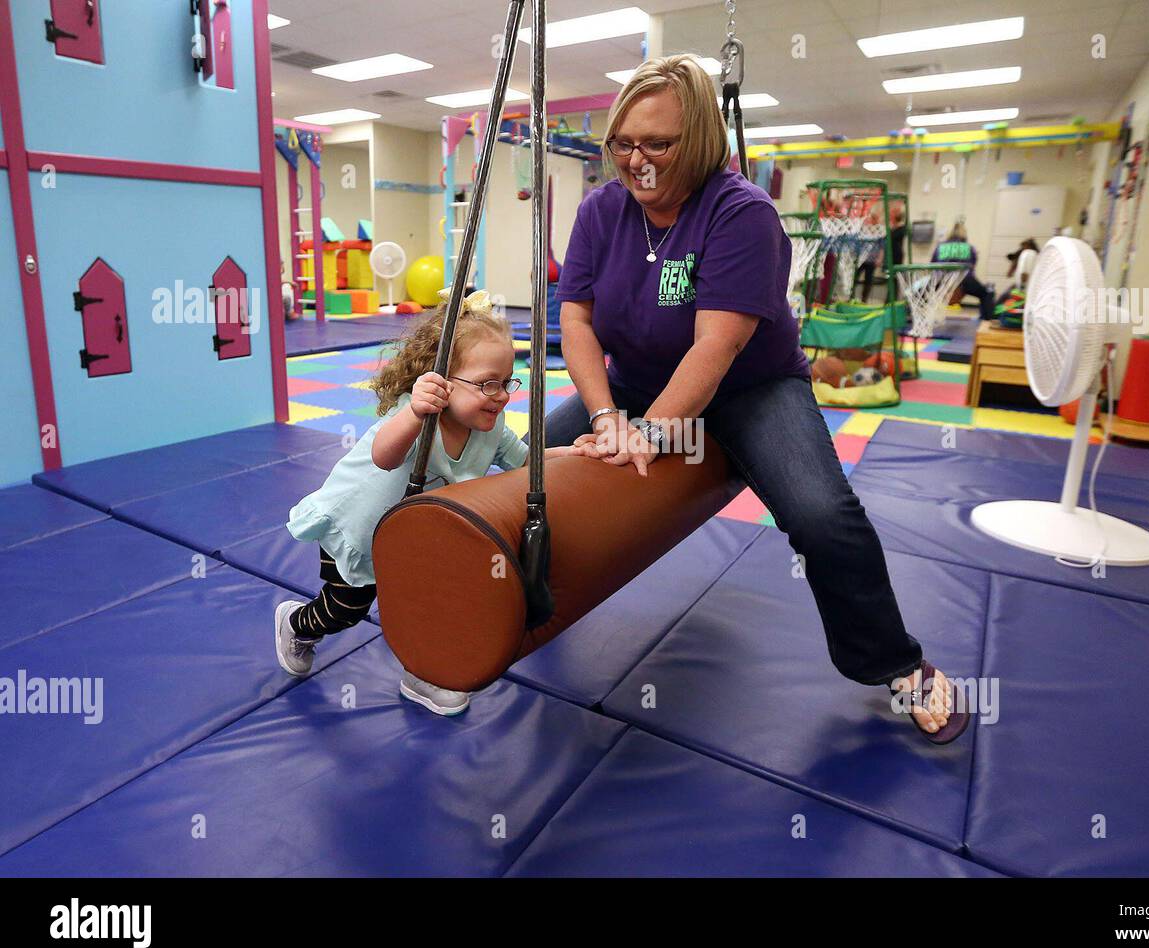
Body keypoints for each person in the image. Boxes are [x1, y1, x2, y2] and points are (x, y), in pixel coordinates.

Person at [545, 54, 969, 742]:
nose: (636, 160)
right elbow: (578, 319)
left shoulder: (741, 213)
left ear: (703, 141)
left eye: (658, 143)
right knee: (533, 466)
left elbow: (715, 348)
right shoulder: (602, 209)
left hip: (750, 387)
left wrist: (652, 435)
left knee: (822, 514)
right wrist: (605, 417)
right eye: (623, 143)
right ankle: (526, 600)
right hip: (634, 381)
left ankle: (898, 663)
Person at [275, 293, 596, 716]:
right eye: (487, 383)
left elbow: (524, 464)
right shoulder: (420, 417)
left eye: (507, 381)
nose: (500, 395)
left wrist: (573, 453)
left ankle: (424, 673)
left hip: (414, 536)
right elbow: (384, 456)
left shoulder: (490, 425)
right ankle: (297, 624)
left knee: (430, 601)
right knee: (345, 609)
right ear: (442, 381)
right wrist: (414, 414)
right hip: (358, 529)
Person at [931, 222, 994, 321]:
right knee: (986, 293)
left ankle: (921, 318)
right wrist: (963, 289)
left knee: (922, 293)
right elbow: (972, 267)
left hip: (942, 280)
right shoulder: (969, 248)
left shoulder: (940, 247)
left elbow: (933, 266)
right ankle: (986, 321)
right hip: (964, 279)